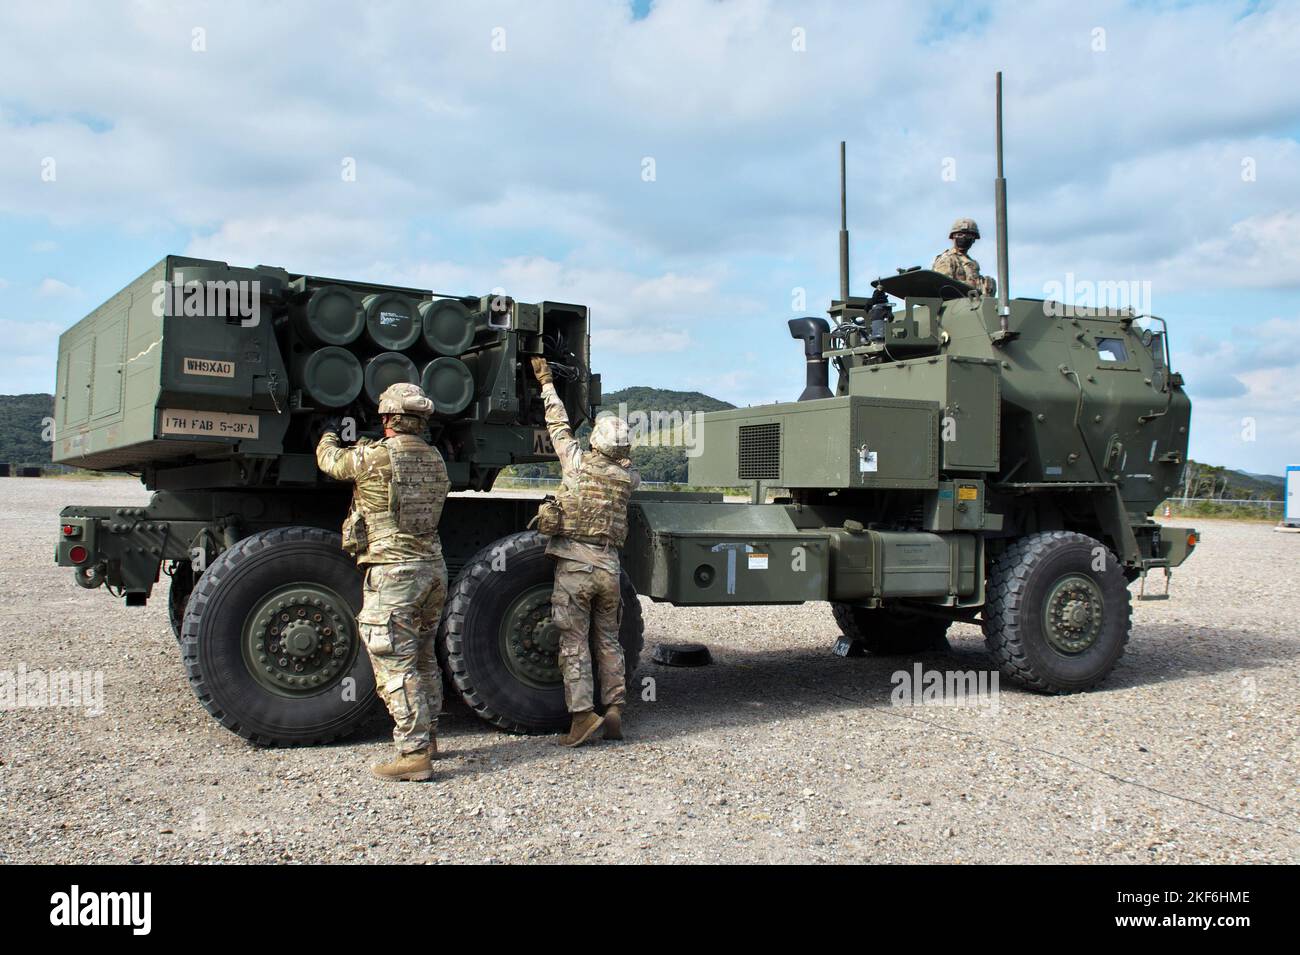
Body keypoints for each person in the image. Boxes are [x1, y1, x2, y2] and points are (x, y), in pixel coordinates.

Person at [315, 383, 450, 782]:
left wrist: (327, 431)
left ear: (388, 418)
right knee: (424, 657)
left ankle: (412, 754)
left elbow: (331, 462)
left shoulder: (374, 457)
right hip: (432, 569)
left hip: (394, 573)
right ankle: (429, 738)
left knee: (393, 660)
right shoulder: (436, 458)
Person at [530, 356, 640, 747]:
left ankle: (581, 718)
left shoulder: (576, 466)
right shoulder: (629, 479)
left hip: (576, 566)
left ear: (594, 442)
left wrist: (545, 381)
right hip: (609, 569)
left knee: (573, 641)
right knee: (608, 640)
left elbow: (558, 424)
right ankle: (614, 709)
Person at [932, 217, 995, 295]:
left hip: (973, 303)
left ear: (974, 239)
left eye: (968, 236)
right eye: (960, 235)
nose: (964, 238)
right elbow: (944, 288)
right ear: (953, 237)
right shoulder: (947, 259)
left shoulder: (973, 264)